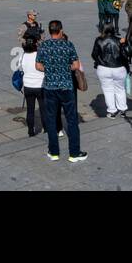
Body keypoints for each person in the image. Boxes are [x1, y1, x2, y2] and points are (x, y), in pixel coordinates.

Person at [35, 20, 86, 162]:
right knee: (71, 120)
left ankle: (54, 152)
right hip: (66, 87)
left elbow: (38, 66)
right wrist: (64, 69)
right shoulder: (68, 45)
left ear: (50, 31)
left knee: (51, 120)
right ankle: (74, 153)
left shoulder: (44, 46)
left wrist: (51, 69)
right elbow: (76, 65)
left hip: (50, 87)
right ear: (61, 30)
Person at [91, 24, 130, 118]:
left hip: (104, 68)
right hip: (119, 67)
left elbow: (94, 54)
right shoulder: (119, 40)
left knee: (108, 89)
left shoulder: (99, 40)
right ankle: (122, 109)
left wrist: (99, 60)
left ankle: (112, 111)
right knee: (120, 89)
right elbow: (125, 54)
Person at [18, 37, 47, 136]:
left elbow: (20, 67)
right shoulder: (39, 54)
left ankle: (31, 130)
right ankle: (46, 128)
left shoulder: (23, 55)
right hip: (40, 85)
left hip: (28, 86)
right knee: (43, 108)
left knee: (30, 110)